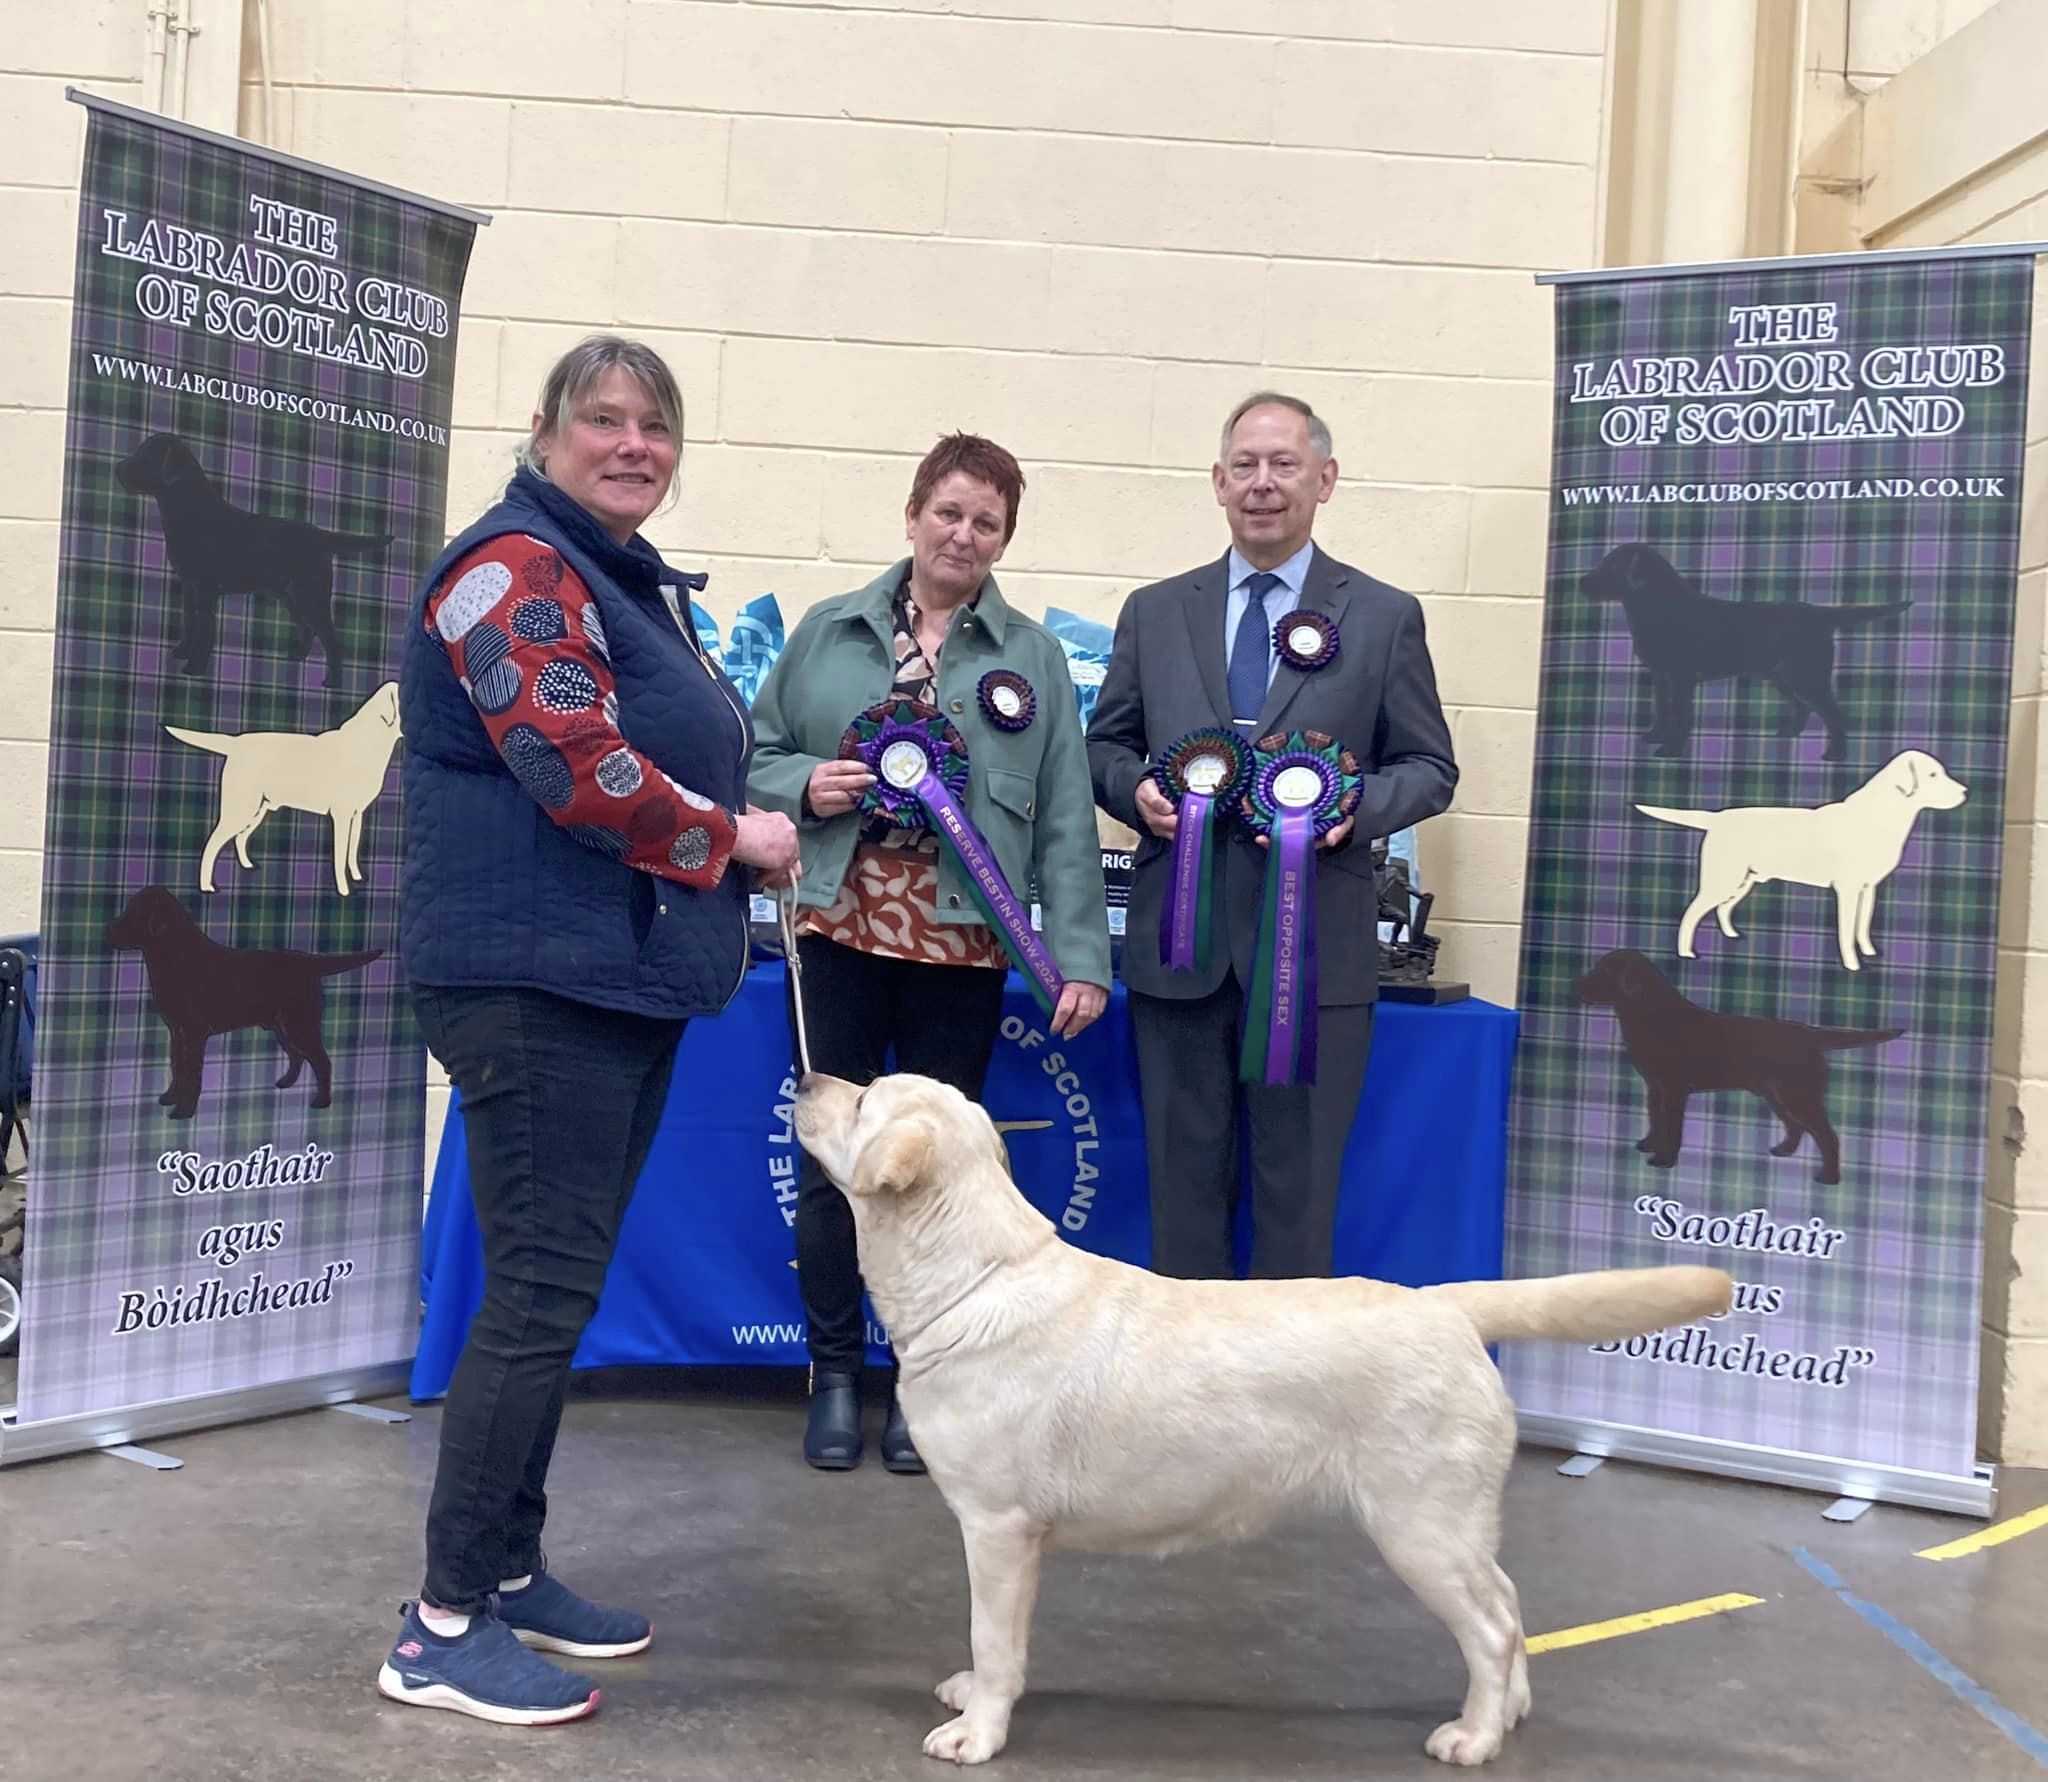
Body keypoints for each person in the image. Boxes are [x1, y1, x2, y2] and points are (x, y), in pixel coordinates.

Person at [385, 335, 799, 1725]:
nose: (634, 444)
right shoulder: (509, 570)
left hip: (608, 981)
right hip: (533, 983)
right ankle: (438, 1626)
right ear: (549, 432)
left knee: (551, 1288)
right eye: (605, 420)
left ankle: (506, 1567)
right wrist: (733, 834)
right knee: (537, 1296)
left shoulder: (615, 577)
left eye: (656, 426)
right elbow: (580, 763)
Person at [749, 433, 1111, 1472]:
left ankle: (927, 1385)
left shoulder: (1031, 658)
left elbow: (1061, 830)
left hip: (962, 947)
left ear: (1004, 538)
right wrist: (799, 786)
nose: (963, 535)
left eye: (986, 522)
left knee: (944, 1178)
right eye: (948, 512)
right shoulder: (826, 632)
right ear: (913, 515)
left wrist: (1075, 955)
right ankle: (831, 1374)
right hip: (836, 934)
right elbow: (758, 752)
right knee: (832, 1166)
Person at [1086, 392, 1456, 1282]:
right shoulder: (1154, 610)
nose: (1262, 484)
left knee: (1297, 1202)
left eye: (1283, 465)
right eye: (1244, 466)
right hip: (1182, 959)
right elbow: (1104, 744)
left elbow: (1430, 768)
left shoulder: (1383, 615)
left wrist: (1348, 809)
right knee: (1181, 1195)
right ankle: (1182, 1412)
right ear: (1217, 483)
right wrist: (1135, 791)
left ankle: (1281, 1413)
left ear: (1324, 480)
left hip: (1316, 963)